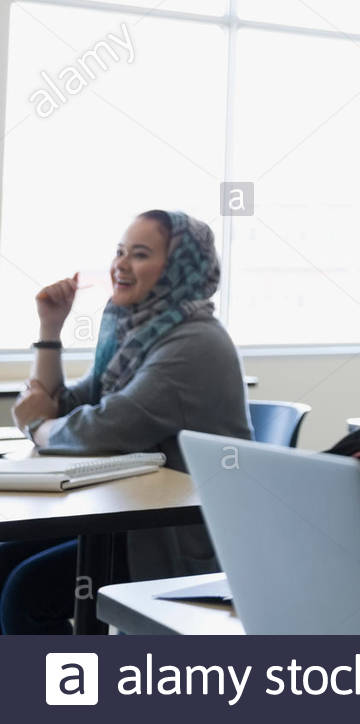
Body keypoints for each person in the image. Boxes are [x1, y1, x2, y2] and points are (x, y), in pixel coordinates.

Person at [2, 210, 251, 634]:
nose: (121, 264)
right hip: (127, 517)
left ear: (180, 268)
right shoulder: (139, 329)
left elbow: (99, 429)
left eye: (139, 254)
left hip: (178, 537)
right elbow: (71, 405)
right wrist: (50, 327)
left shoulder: (195, 343)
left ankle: (76, 695)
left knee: (26, 593)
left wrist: (40, 427)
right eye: (120, 252)